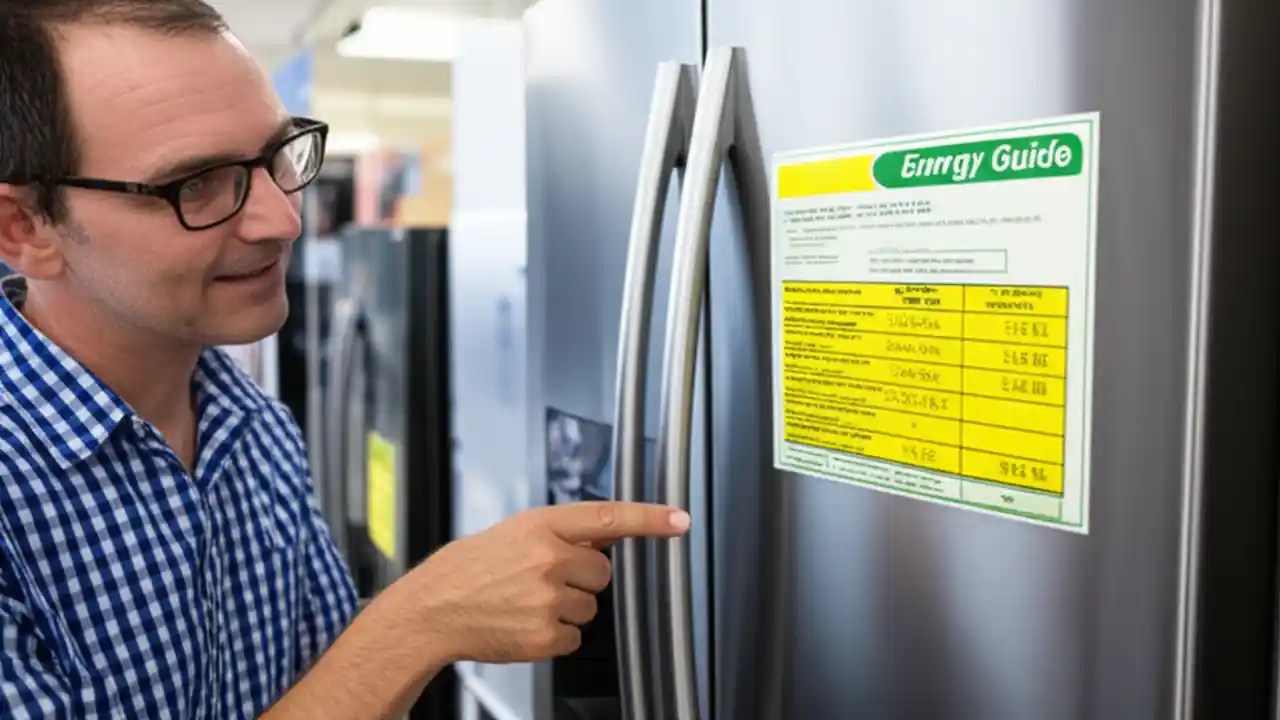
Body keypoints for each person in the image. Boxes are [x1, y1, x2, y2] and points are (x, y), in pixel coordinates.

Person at [0, 2, 691, 717]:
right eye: (196, 184)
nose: (283, 220)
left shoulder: (255, 429)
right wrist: (420, 620)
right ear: (24, 229)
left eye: (277, 157)